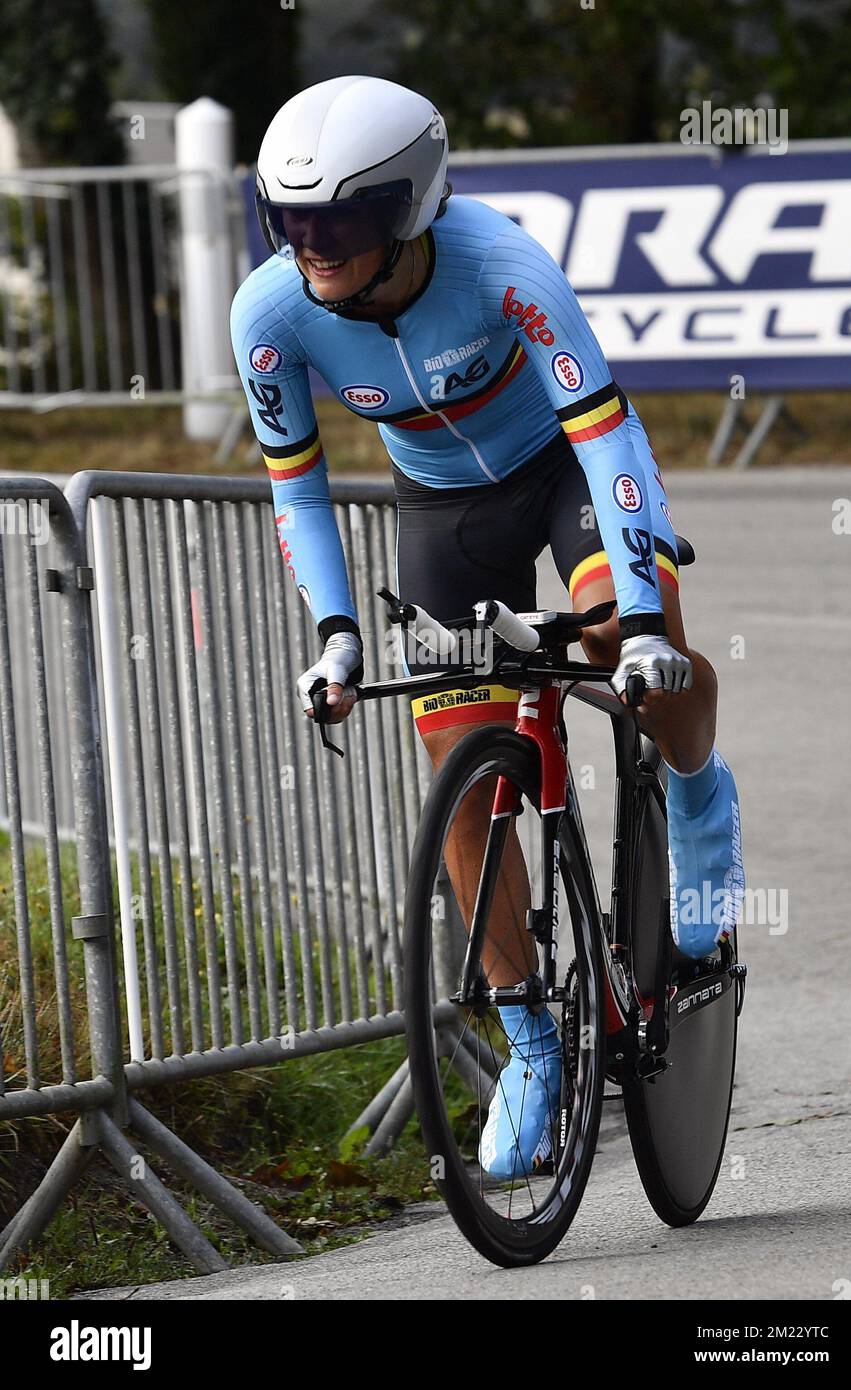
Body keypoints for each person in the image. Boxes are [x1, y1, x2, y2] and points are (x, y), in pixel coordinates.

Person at [231, 74, 744, 1181]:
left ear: (409, 206)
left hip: (565, 468)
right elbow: (298, 484)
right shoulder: (267, 314)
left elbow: (603, 435)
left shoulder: (507, 266)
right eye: (289, 220)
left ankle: (701, 789)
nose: (310, 246)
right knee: (460, 768)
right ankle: (532, 1045)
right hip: (443, 514)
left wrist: (643, 613)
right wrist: (335, 631)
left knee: (624, 646)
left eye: (338, 219)